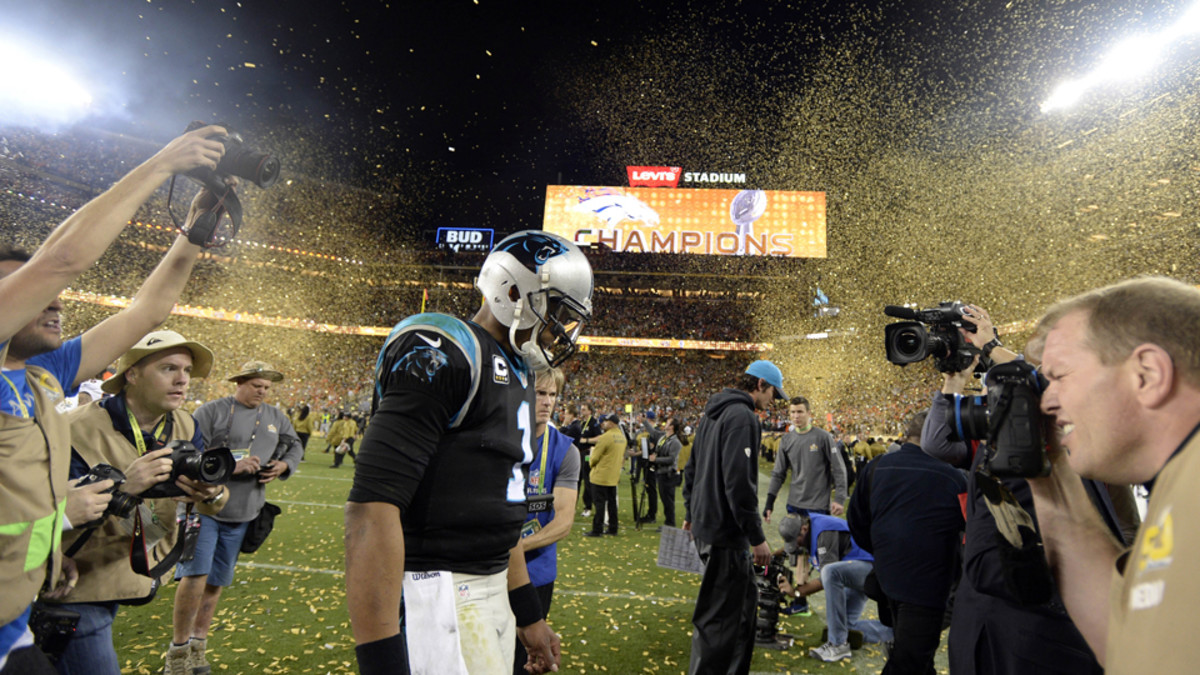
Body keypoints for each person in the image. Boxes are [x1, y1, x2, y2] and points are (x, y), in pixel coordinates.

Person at [0, 125, 229, 675]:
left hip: (14, 621)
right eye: (25, 291)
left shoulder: (39, 372)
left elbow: (147, 312)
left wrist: (194, 234)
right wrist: (161, 165)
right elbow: (61, 261)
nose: (52, 301)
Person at [344, 230, 593, 675]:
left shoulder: (518, 371)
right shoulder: (446, 347)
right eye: (554, 310)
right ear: (513, 291)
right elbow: (370, 512)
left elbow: (500, 515)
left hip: (491, 587)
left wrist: (529, 616)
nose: (559, 328)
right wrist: (380, 662)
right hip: (435, 594)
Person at [922, 303, 1111, 675]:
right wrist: (955, 378)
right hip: (981, 622)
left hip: (1039, 633)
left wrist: (991, 348)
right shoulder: (1003, 428)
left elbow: (1048, 386)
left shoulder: (1082, 438)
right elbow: (936, 443)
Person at [1023, 277, 1200, 673]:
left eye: (1059, 376)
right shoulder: (1179, 479)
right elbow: (1132, 639)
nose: (1047, 401)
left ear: (1148, 375)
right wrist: (1048, 480)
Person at [48, 331, 227, 675]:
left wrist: (212, 494)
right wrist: (124, 487)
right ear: (131, 374)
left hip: (134, 568)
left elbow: (211, 496)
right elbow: (45, 509)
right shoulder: (74, 427)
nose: (182, 380)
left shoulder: (186, 424)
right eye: (168, 368)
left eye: (187, 370)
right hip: (72, 580)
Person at [168, 360, 303, 675]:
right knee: (194, 577)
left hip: (245, 512)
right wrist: (231, 466)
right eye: (257, 385)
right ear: (240, 382)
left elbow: (294, 445)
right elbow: (188, 455)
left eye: (267, 388)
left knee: (216, 581)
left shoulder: (274, 417)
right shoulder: (211, 411)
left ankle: (198, 647)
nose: (263, 392)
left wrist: (283, 465)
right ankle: (177, 651)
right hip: (204, 507)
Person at [682, 360, 784, 675]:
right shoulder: (742, 416)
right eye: (772, 394)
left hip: (708, 527)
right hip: (726, 535)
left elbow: (692, 468)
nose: (772, 402)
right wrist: (756, 537)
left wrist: (690, 512)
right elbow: (739, 485)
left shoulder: (713, 414)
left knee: (740, 612)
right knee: (721, 622)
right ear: (760, 384)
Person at [847, 411, 966, 674]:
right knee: (910, 661)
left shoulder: (877, 467)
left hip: (888, 579)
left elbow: (857, 522)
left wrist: (888, 551)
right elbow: (969, 536)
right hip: (929, 588)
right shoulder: (954, 477)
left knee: (915, 657)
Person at [513, 367, 580, 674]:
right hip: (487, 570)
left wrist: (515, 547)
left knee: (524, 662)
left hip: (536, 575)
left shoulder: (566, 451)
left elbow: (563, 522)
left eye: (553, 395)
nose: (548, 402)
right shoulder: (500, 438)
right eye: (540, 392)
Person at [775, 512, 892, 662]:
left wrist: (796, 592)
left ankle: (837, 646)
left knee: (830, 572)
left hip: (873, 569)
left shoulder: (824, 534)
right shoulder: (810, 527)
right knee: (845, 627)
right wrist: (769, 555)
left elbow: (826, 578)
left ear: (804, 529)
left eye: (795, 539)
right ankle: (900, 632)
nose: (795, 544)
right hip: (858, 567)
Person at [763, 396, 848, 522]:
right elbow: (778, 474)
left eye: (800, 412)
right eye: (793, 412)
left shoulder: (823, 437)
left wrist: (839, 499)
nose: (796, 416)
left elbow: (839, 468)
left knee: (818, 542)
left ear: (809, 413)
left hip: (819, 506)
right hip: (794, 504)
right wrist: (769, 503)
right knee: (793, 542)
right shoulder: (786, 440)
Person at [583, 413, 626, 537]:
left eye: (606, 421)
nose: (604, 423)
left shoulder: (605, 437)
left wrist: (591, 464)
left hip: (600, 476)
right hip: (613, 476)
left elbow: (594, 458)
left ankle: (597, 529)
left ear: (612, 423)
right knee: (612, 504)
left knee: (599, 504)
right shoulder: (622, 438)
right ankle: (613, 528)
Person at [649, 417, 685, 531]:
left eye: (668, 422)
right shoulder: (664, 438)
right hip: (662, 472)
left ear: (672, 427)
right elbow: (654, 434)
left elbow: (671, 459)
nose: (665, 424)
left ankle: (670, 523)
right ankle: (668, 522)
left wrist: (656, 460)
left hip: (668, 474)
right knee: (665, 499)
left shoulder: (675, 442)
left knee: (668, 500)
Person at [575, 403, 602, 517]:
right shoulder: (580, 423)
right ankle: (572, 506)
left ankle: (588, 507)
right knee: (576, 480)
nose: (582, 411)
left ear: (590, 411)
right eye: (581, 409)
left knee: (587, 481)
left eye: (584, 409)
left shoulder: (593, 423)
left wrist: (586, 440)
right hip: (578, 453)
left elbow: (599, 438)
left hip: (587, 453)